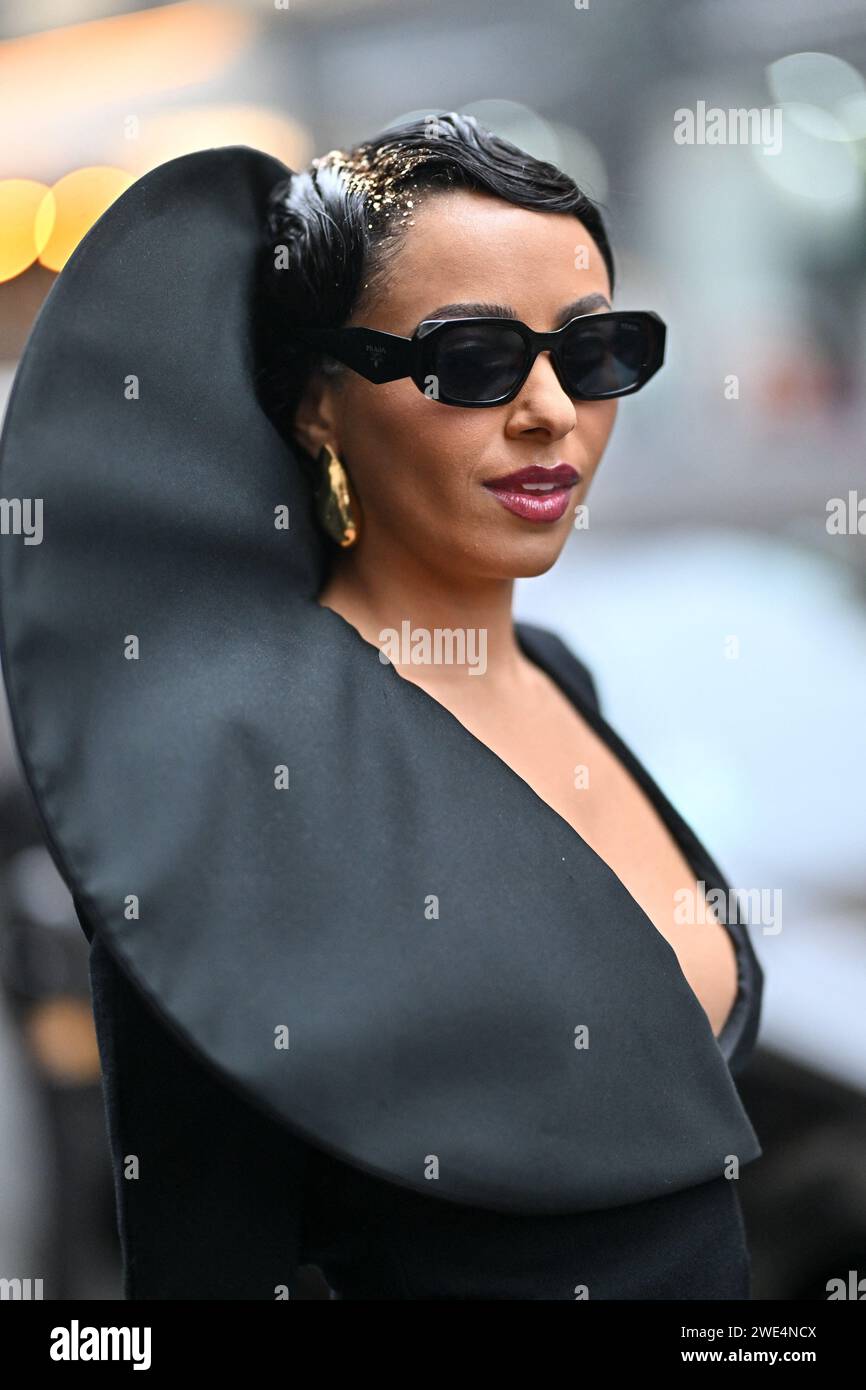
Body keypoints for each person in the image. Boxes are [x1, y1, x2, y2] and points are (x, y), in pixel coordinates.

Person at [0, 112, 763, 1300]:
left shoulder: (560, 675)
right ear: (317, 404)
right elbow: (204, 1263)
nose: (551, 411)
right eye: (470, 359)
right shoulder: (232, 761)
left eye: (597, 350)